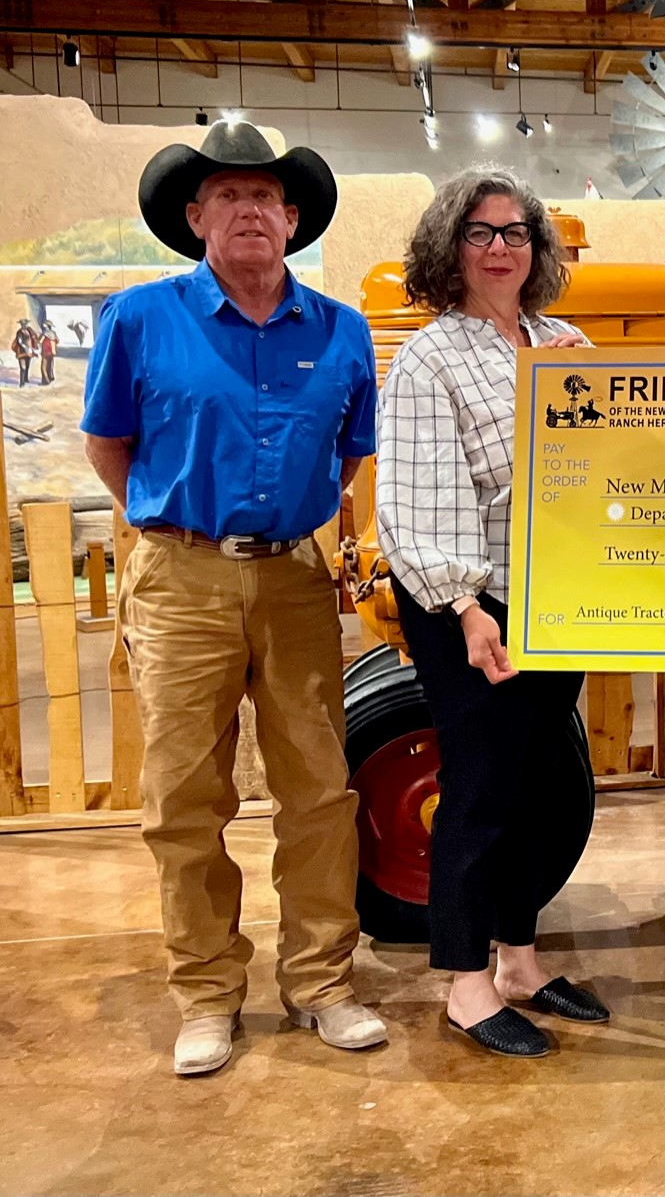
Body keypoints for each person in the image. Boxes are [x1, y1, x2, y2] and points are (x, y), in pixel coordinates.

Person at [81, 121, 386, 1076]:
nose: (250, 210)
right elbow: (109, 444)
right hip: (180, 579)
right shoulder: (138, 318)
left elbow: (349, 453)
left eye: (267, 197)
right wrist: (172, 528)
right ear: (195, 216)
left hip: (295, 577)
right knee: (182, 797)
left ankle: (322, 984)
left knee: (318, 791)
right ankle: (207, 993)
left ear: (292, 219)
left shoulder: (343, 330)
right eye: (229, 195)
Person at [375, 166, 610, 1058]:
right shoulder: (431, 356)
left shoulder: (564, 342)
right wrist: (469, 610)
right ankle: (466, 986)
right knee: (479, 791)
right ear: (451, 246)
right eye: (481, 232)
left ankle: (519, 959)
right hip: (475, 603)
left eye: (516, 233)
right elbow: (419, 505)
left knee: (544, 789)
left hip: (559, 597)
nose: (502, 247)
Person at [11, 318, 36, 386]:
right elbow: (20, 342)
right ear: (21, 325)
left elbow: (33, 338)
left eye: (25, 324)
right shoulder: (19, 332)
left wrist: (31, 348)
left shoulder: (29, 331)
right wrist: (26, 348)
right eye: (23, 324)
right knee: (23, 367)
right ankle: (22, 382)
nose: (24, 325)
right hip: (22, 351)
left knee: (27, 365)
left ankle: (26, 379)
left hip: (29, 350)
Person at [38, 320, 58, 385]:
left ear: (47, 326)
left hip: (46, 351)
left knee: (43, 367)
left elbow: (39, 340)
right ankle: (51, 377)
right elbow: (57, 340)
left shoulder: (45, 332)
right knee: (50, 365)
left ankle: (46, 380)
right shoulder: (54, 333)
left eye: (45, 324)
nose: (44, 325)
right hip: (52, 352)